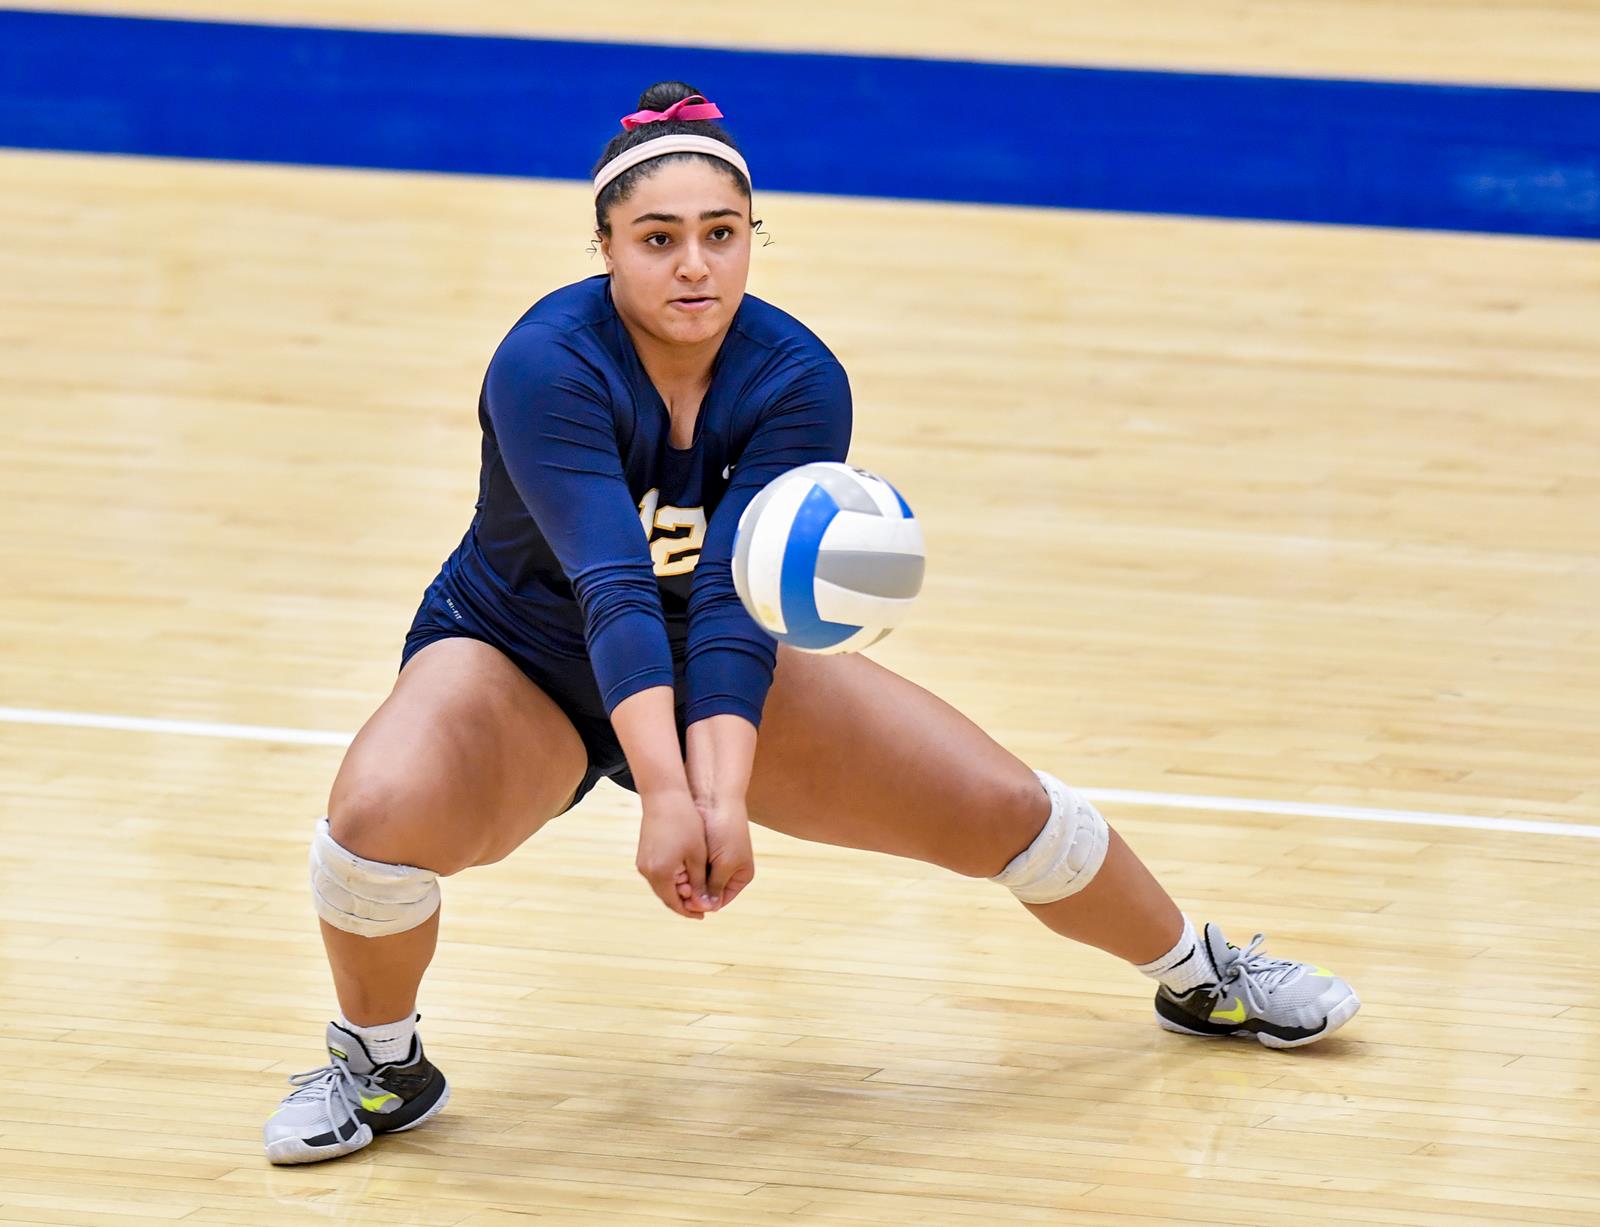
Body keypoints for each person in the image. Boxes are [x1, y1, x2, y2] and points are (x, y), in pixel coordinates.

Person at [263, 82, 1360, 1166]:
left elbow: (738, 607)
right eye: (657, 239)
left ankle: (1200, 976)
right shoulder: (547, 362)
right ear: (602, 246)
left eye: (721, 235)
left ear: (751, 240)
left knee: (1005, 808)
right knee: (374, 814)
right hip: (516, 658)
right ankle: (379, 1061)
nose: (694, 265)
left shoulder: (794, 377)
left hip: (709, 659)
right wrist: (666, 795)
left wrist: (722, 794)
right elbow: (612, 587)